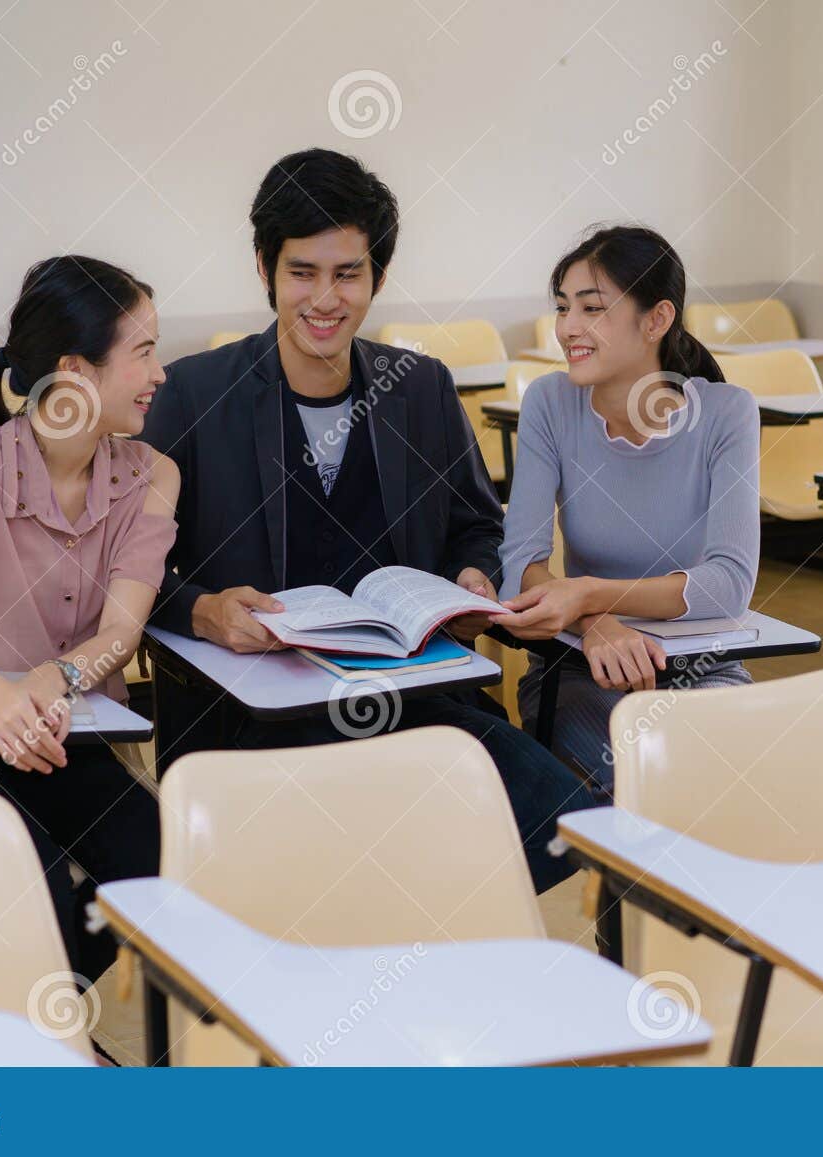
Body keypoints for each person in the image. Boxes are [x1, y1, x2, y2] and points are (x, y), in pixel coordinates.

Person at [138, 148, 588, 893]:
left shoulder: (422, 389)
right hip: (254, 722)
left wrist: (474, 578)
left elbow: (478, 527)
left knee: (572, 825)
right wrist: (204, 609)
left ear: (377, 275)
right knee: (333, 885)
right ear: (264, 270)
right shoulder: (191, 394)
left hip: (414, 701)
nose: (325, 298)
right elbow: (126, 569)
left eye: (348, 273)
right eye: (302, 272)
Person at [0, 255, 178, 984]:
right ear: (75, 370)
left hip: (68, 743)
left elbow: (119, 635)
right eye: (143, 353)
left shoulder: (154, 476)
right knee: (36, 882)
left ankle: (52, 1023)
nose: (161, 374)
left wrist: (54, 679)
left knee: (164, 865)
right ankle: (54, 1050)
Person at [497, 225, 760, 797]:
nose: (568, 328)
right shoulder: (549, 402)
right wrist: (595, 625)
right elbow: (520, 565)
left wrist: (588, 594)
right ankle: (627, 886)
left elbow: (728, 585)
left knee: (743, 784)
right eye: (563, 308)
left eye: (592, 309)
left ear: (656, 319)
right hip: (580, 670)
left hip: (702, 669)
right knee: (654, 784)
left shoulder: (727, 414)